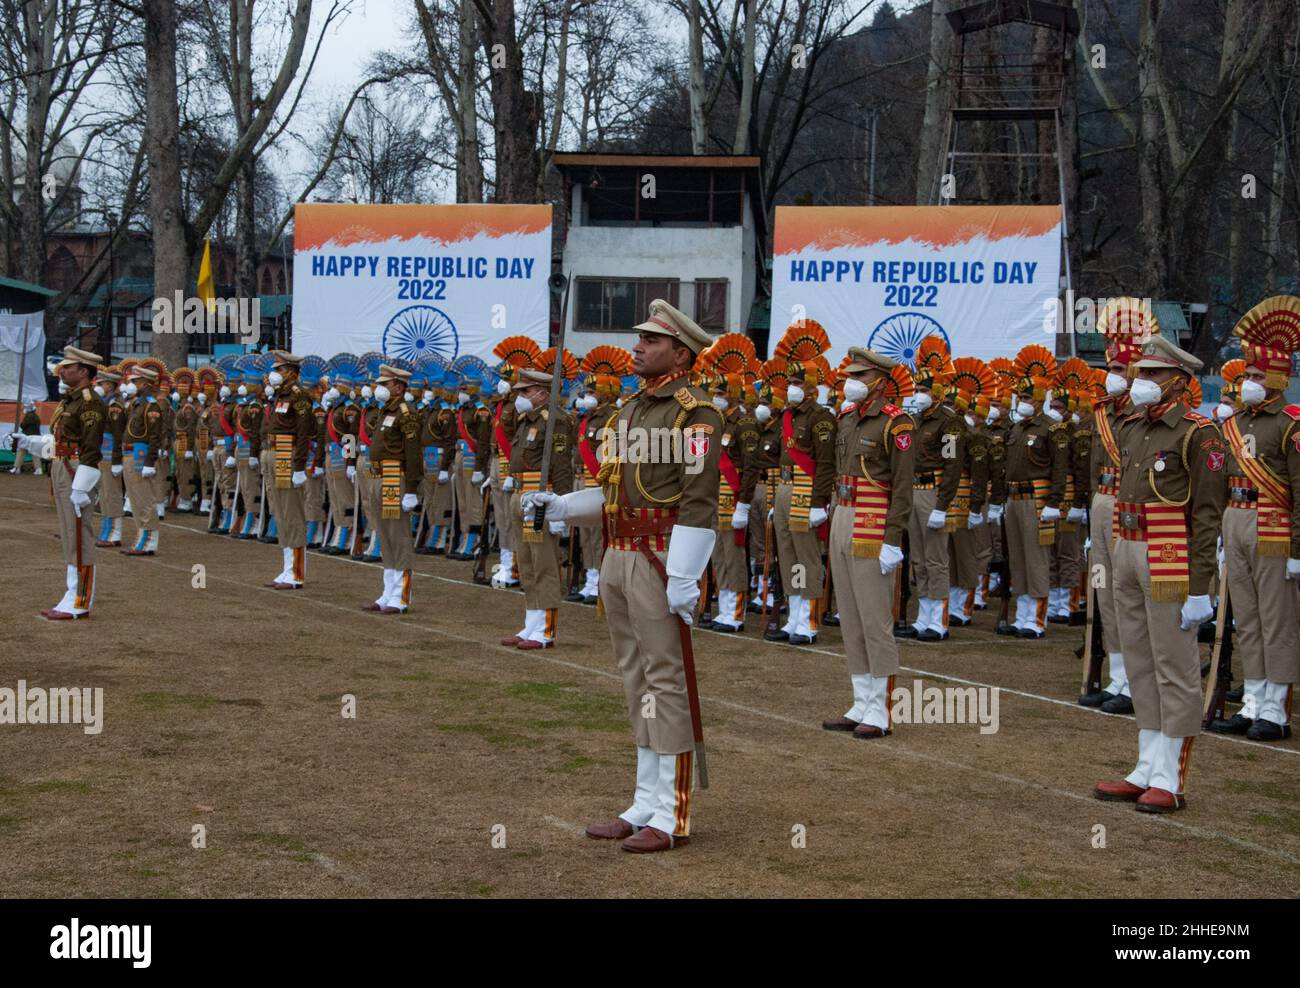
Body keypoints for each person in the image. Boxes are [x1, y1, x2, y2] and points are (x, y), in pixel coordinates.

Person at [523, 298, 721, 853]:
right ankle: (644, 799)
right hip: (618, 552)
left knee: (665, 680)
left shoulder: (695, 412)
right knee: (636, 679)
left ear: (679, 352)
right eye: (638, 339)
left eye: (650, 342)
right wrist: (561, 506)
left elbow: (700, 502)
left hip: (661, 557)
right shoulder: (629, 409)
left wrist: (684, 576)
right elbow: (612, 493)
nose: (637, 347)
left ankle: (672, 813)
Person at [1094, 335, 1226, 813]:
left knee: (1174, 663)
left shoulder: (1198, 433)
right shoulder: (1131, 426)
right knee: (1139, 660)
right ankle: (1147, 763)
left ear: (1179, 381)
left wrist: (1199, 588)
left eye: (1151, 374)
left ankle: (1171, 775)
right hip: (1126, 545)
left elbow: (1208, 515)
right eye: (1140, 373)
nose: (1141, 382)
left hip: (1168, 552)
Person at [1208, 296, 1300, 741]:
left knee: (1275, 618)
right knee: (1246, 617)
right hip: (1237, 519)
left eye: (1259, 376)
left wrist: (1298, 550)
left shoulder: (1291, 425)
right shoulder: (1235, 421)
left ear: (1281, 378)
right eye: (1248, 375)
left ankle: (1276, 709)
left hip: (1274, 527)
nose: (1250, 382)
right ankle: (1251, 700)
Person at [821, 347, 913, 738]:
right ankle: (861, 699)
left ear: (879, 381)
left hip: (873, 522)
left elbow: (903, 487)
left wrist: (893, 538)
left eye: (860, 376)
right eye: (851, 375)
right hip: (843, 512)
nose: (852, 382)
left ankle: (881, 708)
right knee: (850, 615)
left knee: (875, 617)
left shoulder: (897, 424)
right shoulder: (846, 418)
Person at [1081, 301, 1146, 711]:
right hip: (1102, 504)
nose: (1111, 376)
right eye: (1109, 368)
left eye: (1119, 369)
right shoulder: (1102, 413)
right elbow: (1092, 468)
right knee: (1104, 592)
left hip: (1128, 508)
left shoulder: (1141, 415)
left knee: (1126, 596)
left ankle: (1135, 680)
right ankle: (1117, 676)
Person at [10, 347, 105, 619]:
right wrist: (30, 443)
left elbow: (90, 447)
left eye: (68, 367)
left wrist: (81, 486)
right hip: (63, 466)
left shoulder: (89, 402)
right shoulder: (71, 401)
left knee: (79, 536)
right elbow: (62, 442)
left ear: (84, 371)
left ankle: (80, 599)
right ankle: (71, 594)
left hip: (77, 471)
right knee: (69, 535)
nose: (62, 371)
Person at [767, 322, 835, 645]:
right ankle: (793, 617)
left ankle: (808, 620)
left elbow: (825, 464)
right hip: (783, 488)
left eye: (796, 382)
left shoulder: (821, 418)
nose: (790, 387)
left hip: (806, 490)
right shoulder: (787, 415)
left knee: (806, 555)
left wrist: (821, 503)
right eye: (789, 381)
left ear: (810, 387)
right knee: (788, 553)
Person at [501, 366, 575, 649]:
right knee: (528, 564)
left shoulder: (555, 421)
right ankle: (531, 623)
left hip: (541, 499)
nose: (519, 395)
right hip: (522, 495)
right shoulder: (526, 419)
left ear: (542, 394)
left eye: (526, 391)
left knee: (544, 564)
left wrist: (562, 507)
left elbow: (560, 466)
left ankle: (546, 629)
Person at [999, 345, 1069, 638]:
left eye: (1026, 397)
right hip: (1014, 498)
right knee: (1018, 558)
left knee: (1037, 558)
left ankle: (1038, 618)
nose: (1022, 402)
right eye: (1020, 397)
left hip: (1037, 499)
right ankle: (1022, 613)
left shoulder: (1052, 428)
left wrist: (1055, 501)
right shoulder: (1016, 428)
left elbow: (1060, 468)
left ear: (1040, 399)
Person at [360, 364, 423, 612]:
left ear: (398, 386)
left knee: (398, 536)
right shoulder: (384, 411)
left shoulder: (406, 413)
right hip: (377, 476)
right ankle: (387, 591)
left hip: (394, 478)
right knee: (384, 536)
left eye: (384, 384)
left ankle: (401, 595)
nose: (380, 388)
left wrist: (411, 489)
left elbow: (413, 453)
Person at [263, 351, 315, 588]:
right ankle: (286, 568)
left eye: (281, 370)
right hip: (274, 452)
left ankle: (295, 572)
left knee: (291, 511)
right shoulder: (279, 395)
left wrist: (299, 466)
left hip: (287, 453)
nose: (276, 374)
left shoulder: (299, 395)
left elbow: (304, 433)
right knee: (280, 511)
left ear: (292, 373)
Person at [119, 363, 164, 556]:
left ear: (146, 384)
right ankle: (141, 537)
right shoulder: (136, 404)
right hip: (129, 454)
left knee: (144, 498)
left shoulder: (151, 406)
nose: (132, 384)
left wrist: (149, 462)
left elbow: (154, 437)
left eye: (136, 381)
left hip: (140, 455)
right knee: (135, 498)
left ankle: (149, 540)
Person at [93, 367, 126, 547]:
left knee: (112, 493)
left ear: (111, 385)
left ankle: (115, 532)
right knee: (104, 493)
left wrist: (116, 460)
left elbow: (117, 433)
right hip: (103, 451)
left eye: (103, 383)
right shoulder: (105, 402)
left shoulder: (115, 405)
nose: (101, 386)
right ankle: (107, 528)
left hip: (111, 451)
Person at [10, 401, 42, 474]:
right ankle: (39, 469)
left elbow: (23, 425)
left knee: (21, 451)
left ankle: (16, 468)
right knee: (35, 453)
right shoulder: (36, 416)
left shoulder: (28, 416)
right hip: (36, 437)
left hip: (28, 437)